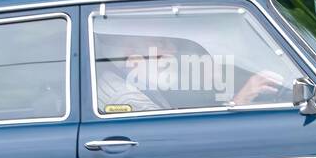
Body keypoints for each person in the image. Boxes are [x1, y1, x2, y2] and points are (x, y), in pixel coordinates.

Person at [96, 35, 284, 113]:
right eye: (161, 43)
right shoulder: (126, 97)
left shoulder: (142, 82)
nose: (172, 50)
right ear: (134, 59)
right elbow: (174, 142)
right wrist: (240, 100)